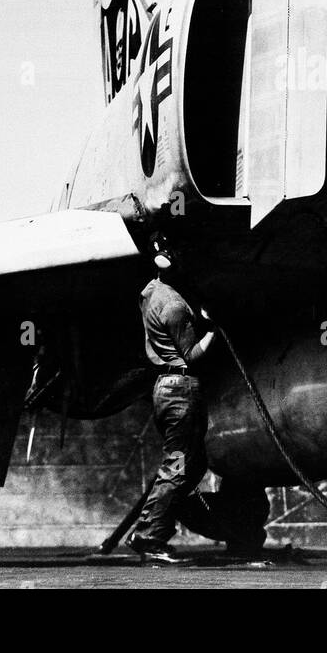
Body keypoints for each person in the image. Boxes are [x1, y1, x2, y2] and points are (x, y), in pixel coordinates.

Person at [126, 231, 217, 565]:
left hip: (166, 390)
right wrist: (212, 330)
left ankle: (153, 527)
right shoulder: (175, 305)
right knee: (177, 468)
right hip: (181, 391)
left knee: (191, 464)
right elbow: (193, 355)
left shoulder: (150, 291)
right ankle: (149, 537)